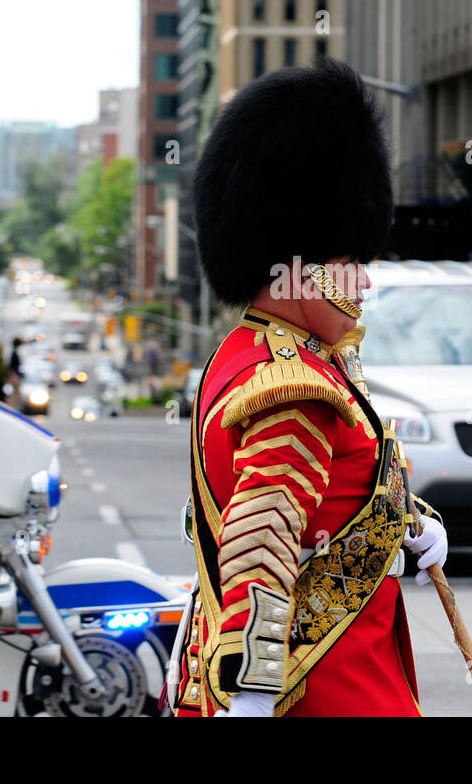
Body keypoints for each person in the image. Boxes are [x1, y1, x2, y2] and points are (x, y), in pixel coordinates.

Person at [168, 60, 449, 717]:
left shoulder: (258, 356)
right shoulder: (292, 385)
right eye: (353, 262)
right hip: (326, 695)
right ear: (299, 262)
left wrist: (412, 520)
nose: (364, 283)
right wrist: (256, 691)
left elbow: (337, 492)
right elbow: (262, 547)